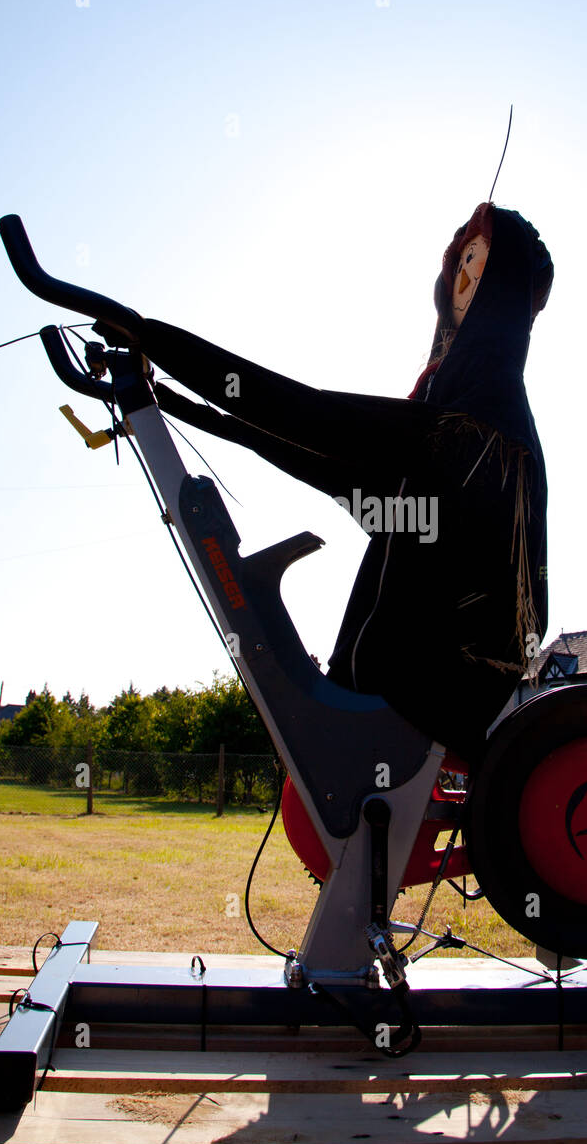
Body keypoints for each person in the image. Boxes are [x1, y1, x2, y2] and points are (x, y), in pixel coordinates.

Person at [106, 201, 553, 768]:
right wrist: (175, 402)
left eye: (479, 264)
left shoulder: (484, 425)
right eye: (461, 263)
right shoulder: (450, 415)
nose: (463, 278)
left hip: (430, 687)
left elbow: (311, 416)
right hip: (397, 685)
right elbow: (319, 451)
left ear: (503, 291)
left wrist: (159, 342)